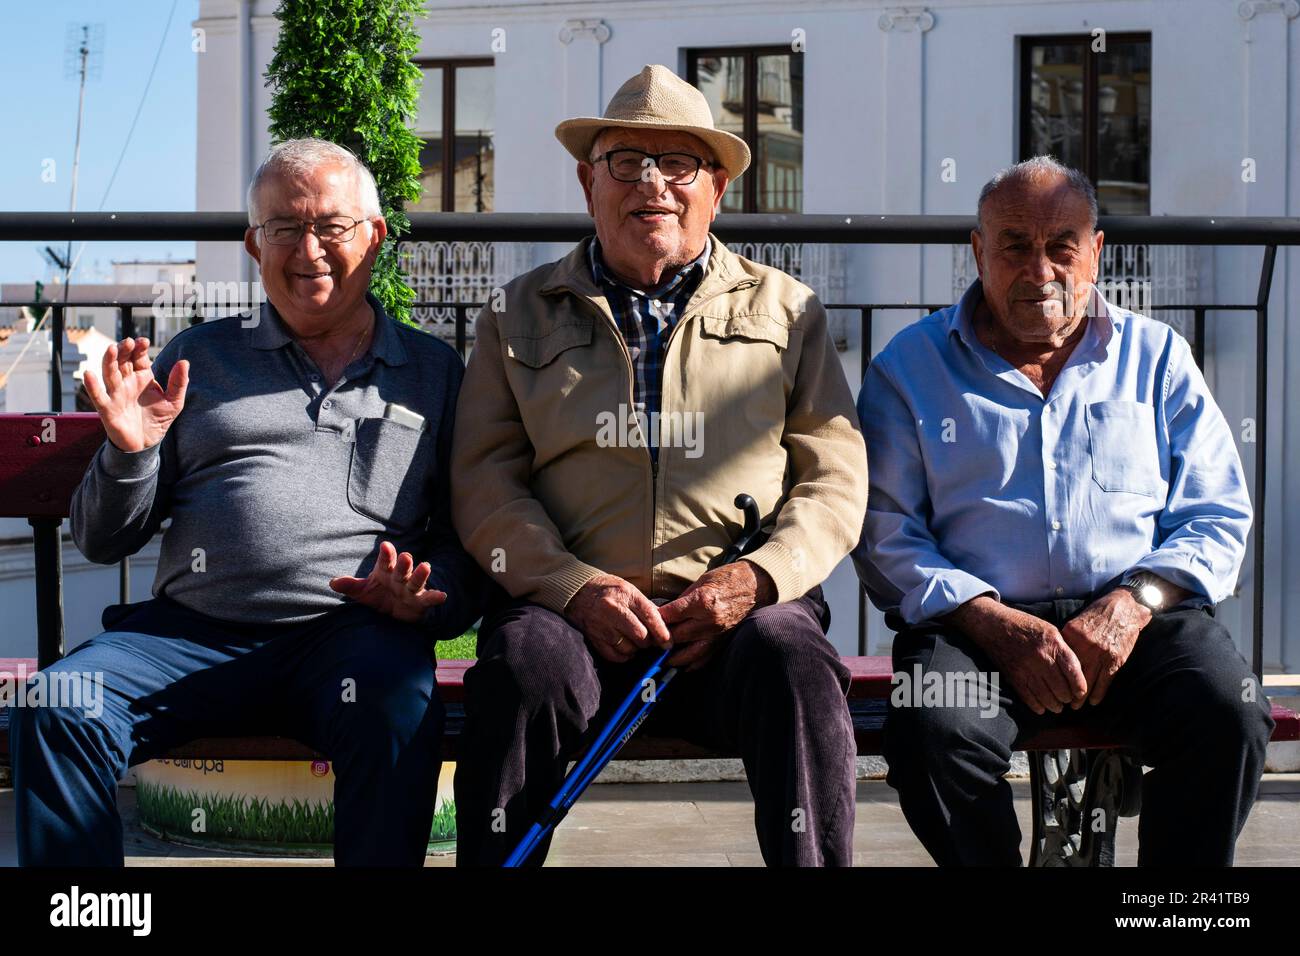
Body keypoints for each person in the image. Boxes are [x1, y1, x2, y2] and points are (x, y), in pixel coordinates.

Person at [9, 138, 485, 866]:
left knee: (396, 705)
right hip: (186, 635)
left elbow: (466, 536)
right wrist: (131, 452)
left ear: (375, 236)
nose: (310, 250)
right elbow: (103, 542)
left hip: (351, 636)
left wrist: (427, 598)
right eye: (284, 228)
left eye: (331, 225)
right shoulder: (199, 357)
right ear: (253, 246)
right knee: (59, 705)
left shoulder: (433, 370)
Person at [450, 65, 869, 866]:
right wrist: (575, 587)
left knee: (796, 661)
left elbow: (835, 478)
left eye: (680, 163)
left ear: (716, 187)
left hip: (738, 616)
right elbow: (484, 481)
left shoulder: (788, 310)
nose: (654, 185)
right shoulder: (515, 313)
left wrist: (755, 580)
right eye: (626, 163)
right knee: (521, 665)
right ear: (587, 182)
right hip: (570, 615)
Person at [854, 155, 1273, 866]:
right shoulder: (908, 367)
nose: (1040, 269)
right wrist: (991, 621)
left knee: (1228, 713)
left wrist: (1132, 605)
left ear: (1096, 253)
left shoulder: (1157, 355)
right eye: (1015, 245)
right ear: (977, 251)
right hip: (974, 625)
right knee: (931, 729)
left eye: (1062, 247)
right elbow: (885, 531)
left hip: (1140, 616)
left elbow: (1216, 511)